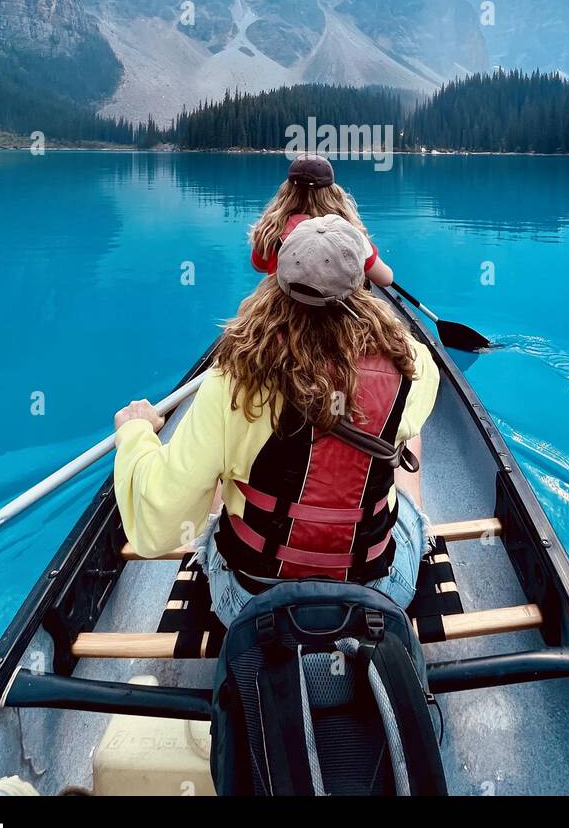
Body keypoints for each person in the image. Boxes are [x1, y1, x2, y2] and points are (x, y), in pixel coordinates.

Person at [113, 215, 439, 626]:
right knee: (404, 448)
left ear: (277, 284)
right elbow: (404, 369)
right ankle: (413, 517)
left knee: (223, 471)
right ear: (361, 289)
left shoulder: (230, 380)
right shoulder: (413, 367)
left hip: (252, 603)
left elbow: (159, 526)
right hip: (378, 591)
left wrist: (136, 433)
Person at [249, 155, 394, 286]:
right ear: (332, 192)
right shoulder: (349, 232)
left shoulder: (271, 230)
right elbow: (385, 279)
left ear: (286, 191)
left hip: (282, 308)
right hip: (337, 311)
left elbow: (258, 266)